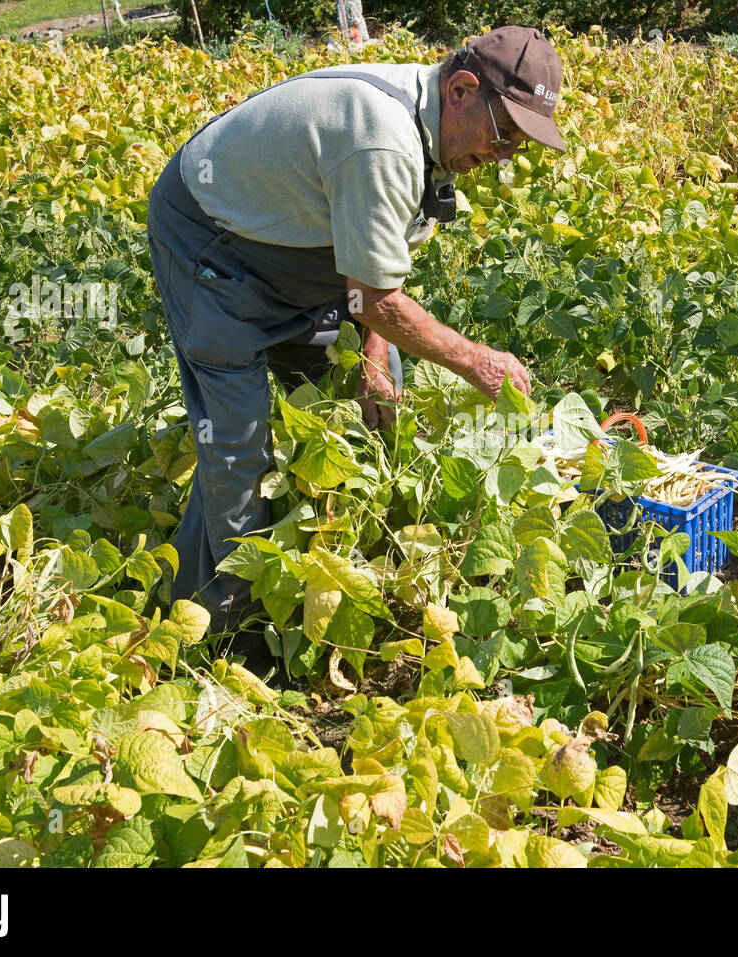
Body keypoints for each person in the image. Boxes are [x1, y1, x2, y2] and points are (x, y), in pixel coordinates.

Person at [146, 25, 567, 675]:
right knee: (238, 448)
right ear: (461, 90)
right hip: (212, 242)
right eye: (503, 133)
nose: (505, 154)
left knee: (379, 385)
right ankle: (220, 632)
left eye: (518, 144)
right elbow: (376, 296)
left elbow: (375, 281)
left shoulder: (428, 134)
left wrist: (374, 348)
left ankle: (336, 553)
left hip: (294, 248)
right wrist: (478, 361)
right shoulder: (385, 141)